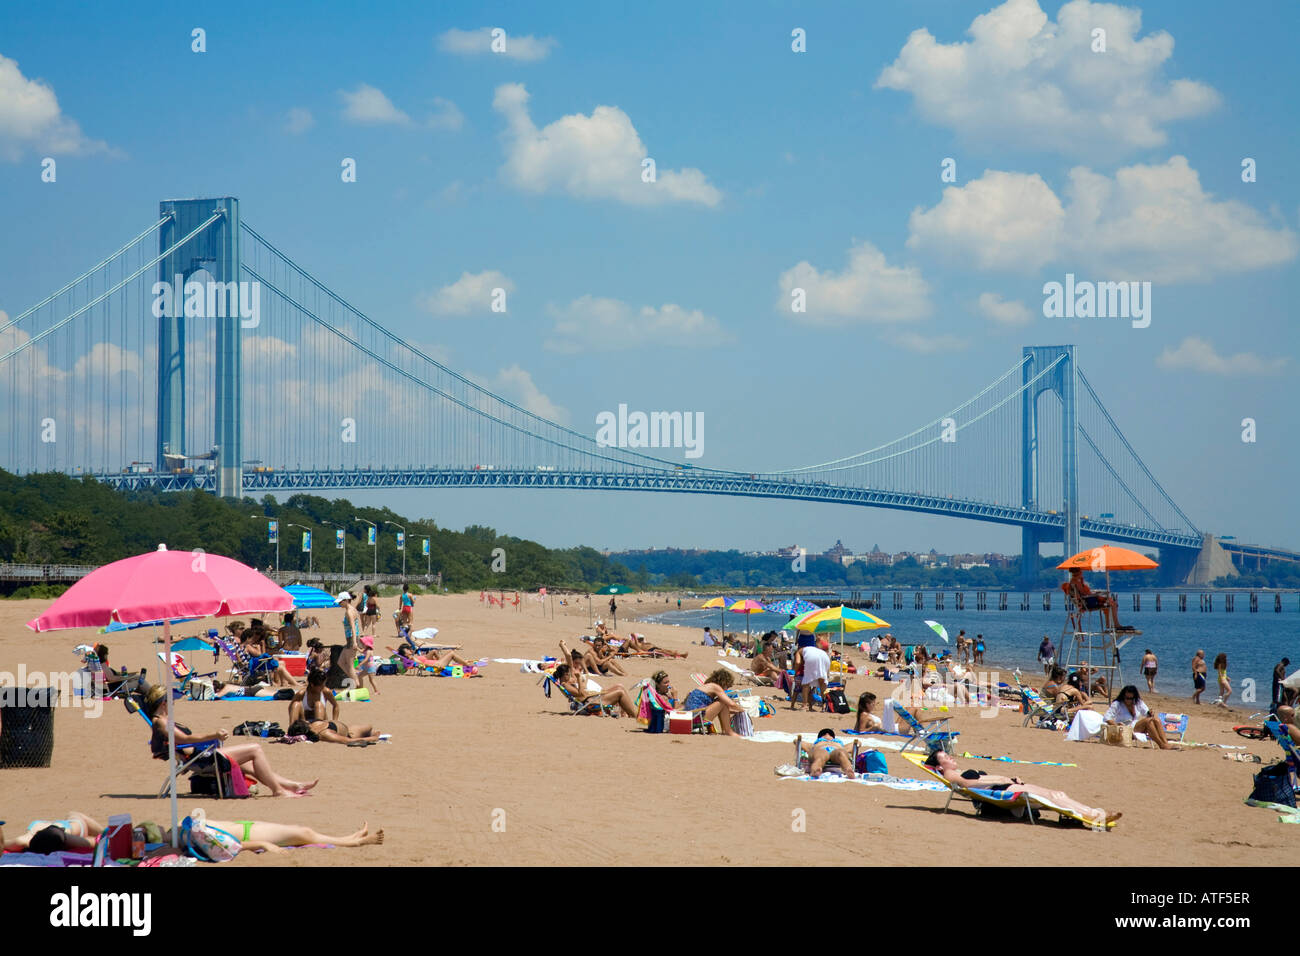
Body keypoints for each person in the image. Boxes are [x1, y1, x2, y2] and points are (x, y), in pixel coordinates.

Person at [148, 695, 317, 798]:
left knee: (249, 765)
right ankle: (278, 791)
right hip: (202, 758)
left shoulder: (161, 721)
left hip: (199, 755)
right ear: (163, 703)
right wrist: (214, 735)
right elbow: (184, 738)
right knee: (255, 749)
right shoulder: (163, 722)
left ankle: (293, 785)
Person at [2, 812, 383, 855]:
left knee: (301, 831)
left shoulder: (38, 837)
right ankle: (356, 839)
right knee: (302, 832)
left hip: (137, 837)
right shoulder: (75, 840)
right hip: (199, 834)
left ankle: (354, 838)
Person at [924, 750, 1120, 826]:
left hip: (1005, 784)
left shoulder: (954, 771)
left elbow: (977, 779)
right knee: (1051, 797)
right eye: (946, 758)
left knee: (1057, 794)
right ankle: (1094, 815)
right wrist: (1002, 779)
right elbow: (967, 784)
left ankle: (1093, 813)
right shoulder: (950, 774)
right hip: (1003, 791)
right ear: (940, 767)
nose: (950, 757)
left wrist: (1006, 777)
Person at [551, 663, 638, 717]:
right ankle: (634, 715)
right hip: (591, 703)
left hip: (593, 697)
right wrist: (578, 679)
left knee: (619, 686)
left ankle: (629, 713)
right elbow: (580, 693)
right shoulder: (565, 685)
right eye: (568, 674)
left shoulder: (566, 683)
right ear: (564, 675)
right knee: (620, 693)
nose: (570, 676)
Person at [1104, 685, 1173, 749]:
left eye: (1131, 698)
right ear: (1123, 696)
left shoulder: (1137, 702)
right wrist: (1117, 725)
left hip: (1135, 727)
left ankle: (1164, 743)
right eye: (1126, 698)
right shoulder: (1118, 704)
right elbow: (1107, 717)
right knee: (1149, 721)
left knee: (1155, 720)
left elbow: (1147, 713)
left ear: (1134, 697)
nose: (1128, 700)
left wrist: (1150, 713)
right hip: (1124, 729)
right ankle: (1162, 745)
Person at [680, 668, 745, 736]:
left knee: (721, 703)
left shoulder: (706, 687)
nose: (726, 689)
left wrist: (735, 711)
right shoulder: (715, 687)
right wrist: (743, 710)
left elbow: (723, 710)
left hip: (690, 717)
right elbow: (731, 704)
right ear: (724, 682)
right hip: (696, 718)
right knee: (722, 702)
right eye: (727, 686)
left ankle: (726, 730)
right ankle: (728, 731)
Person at [336, 591, 361, 689]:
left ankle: (357, 684)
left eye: (340, 602)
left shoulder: (349, 611)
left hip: (352, 639)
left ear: (346, 600)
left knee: (349, 665)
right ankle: (355, 678)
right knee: (341, 662)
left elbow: (353, 628)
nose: (339, 604)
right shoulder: (351, 609)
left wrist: (354, 642)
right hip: (350, 639)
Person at [799, 639, 832, 711]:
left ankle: (804, 705)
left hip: (813, 658)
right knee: (822, 682)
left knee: (806, 682)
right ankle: (824, 705)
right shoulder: (817, 650)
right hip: (825, 657)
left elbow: (797, 662)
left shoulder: (800, 651)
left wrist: (795, 672)